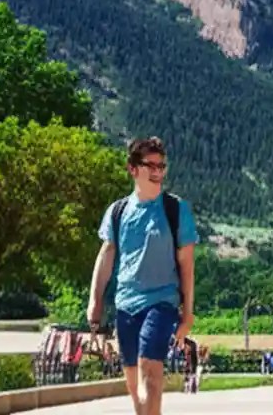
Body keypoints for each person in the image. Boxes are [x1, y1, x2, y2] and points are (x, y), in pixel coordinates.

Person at [87, 137, 198, 415]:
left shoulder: (176, 210)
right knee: (134, 386)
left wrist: (188, 314)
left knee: (151, 371)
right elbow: (106, 256)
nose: (158, 172)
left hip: (162, 302)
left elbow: (187, 266)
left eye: (162, 166)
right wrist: (95, 301)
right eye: (151, 166)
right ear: (133, 168)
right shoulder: (117, 212)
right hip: (125, 305)